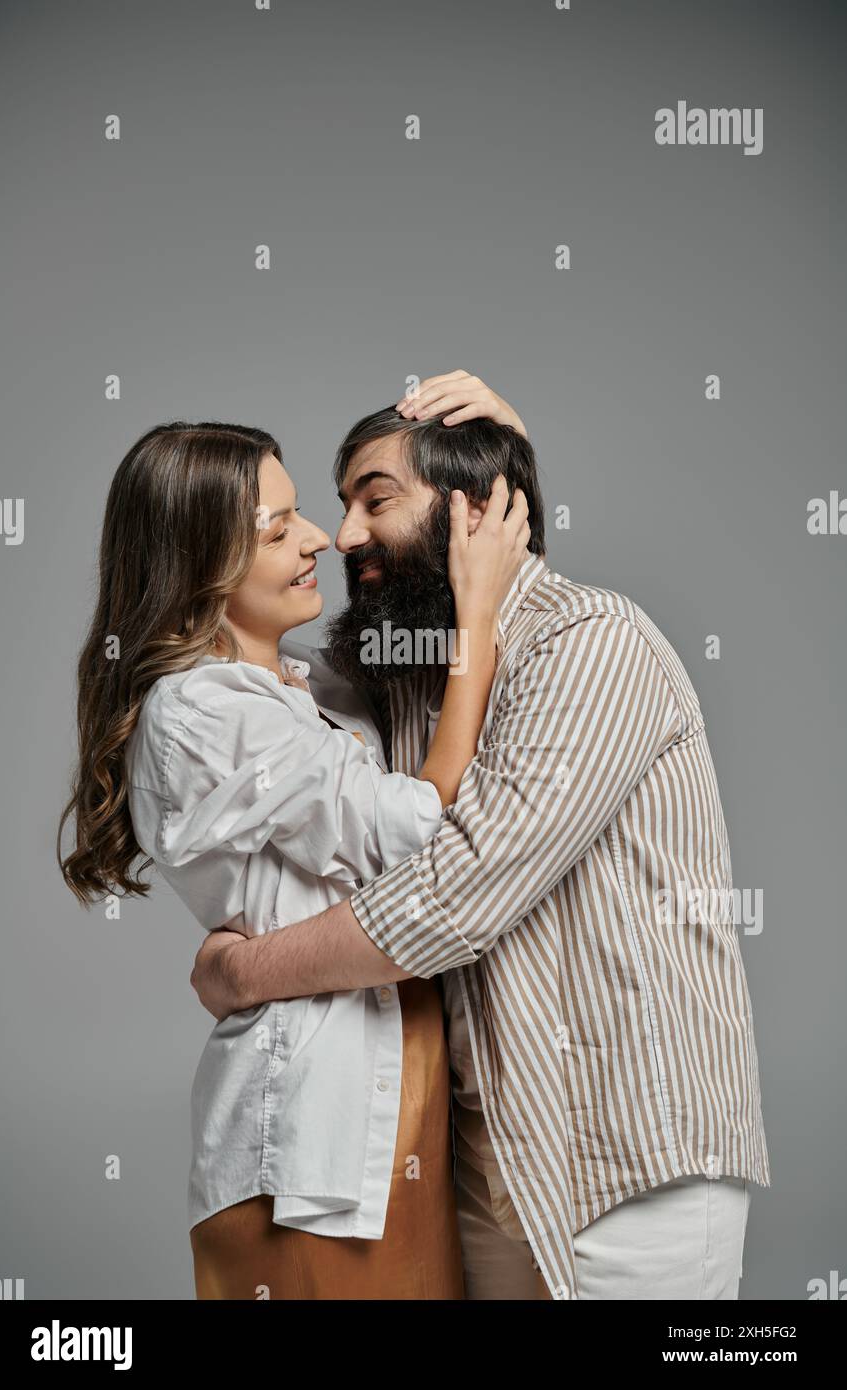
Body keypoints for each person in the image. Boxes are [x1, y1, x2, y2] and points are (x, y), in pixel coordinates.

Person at [192, 374, 772, 1301]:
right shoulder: (403, 667)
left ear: (471, 511)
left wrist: (244, 972)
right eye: (339, 506)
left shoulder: (594, 644)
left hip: (624, 1165)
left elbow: (460, 894)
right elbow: (247, 700)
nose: (342, 537)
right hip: (481, 1166)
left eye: (374, 499)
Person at [58, 385, 530, 1299]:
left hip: (398, 1116)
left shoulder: (305, 690)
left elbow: (423, 643)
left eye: (300, 513)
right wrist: (477, 620)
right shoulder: (203, 710)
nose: (321, 537)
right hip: (315, 1147)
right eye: (278, 531)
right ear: (201, 567)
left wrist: (499, 456)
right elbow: (420, 828)